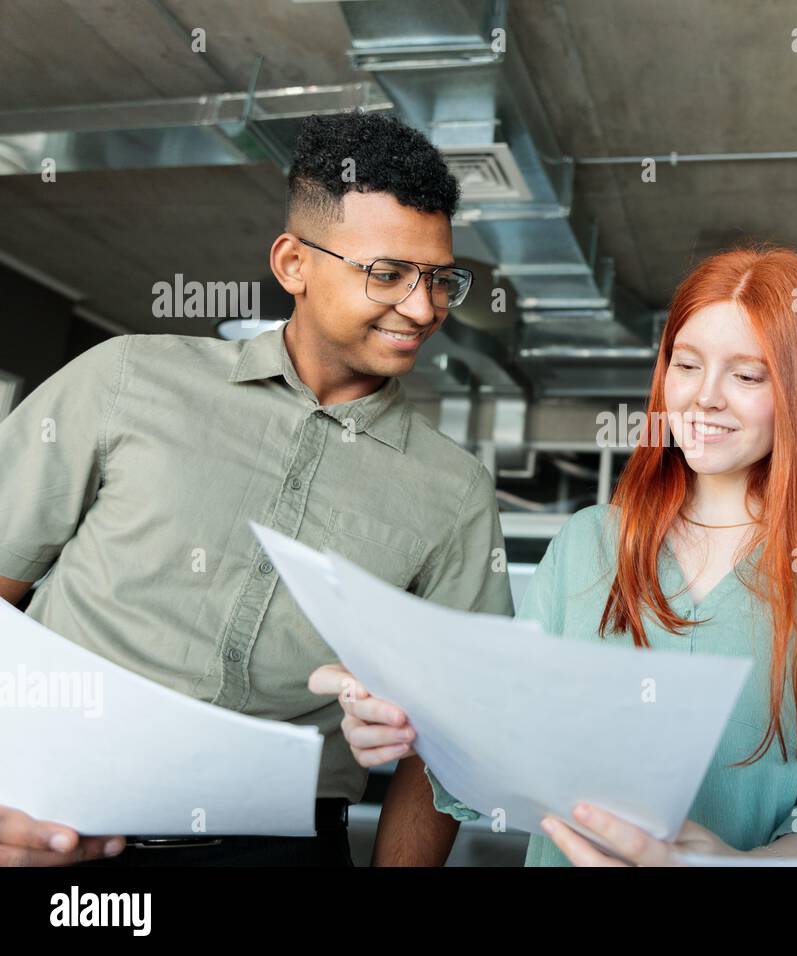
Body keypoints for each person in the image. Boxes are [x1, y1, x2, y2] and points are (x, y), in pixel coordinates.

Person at [0, 111, 512, 866]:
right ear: (293, 263)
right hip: (52, 820)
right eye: (389, 273)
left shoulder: (456, 491)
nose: (424, 307)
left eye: (440, 278)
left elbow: (443, 741)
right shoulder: (125, 379)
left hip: (279, 850)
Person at [315, 246, 797, 865]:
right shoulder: (587, 544)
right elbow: (511, 740)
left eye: (747, 376)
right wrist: (414, 719)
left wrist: (739, 867)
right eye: (686, 365)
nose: (705, 398)